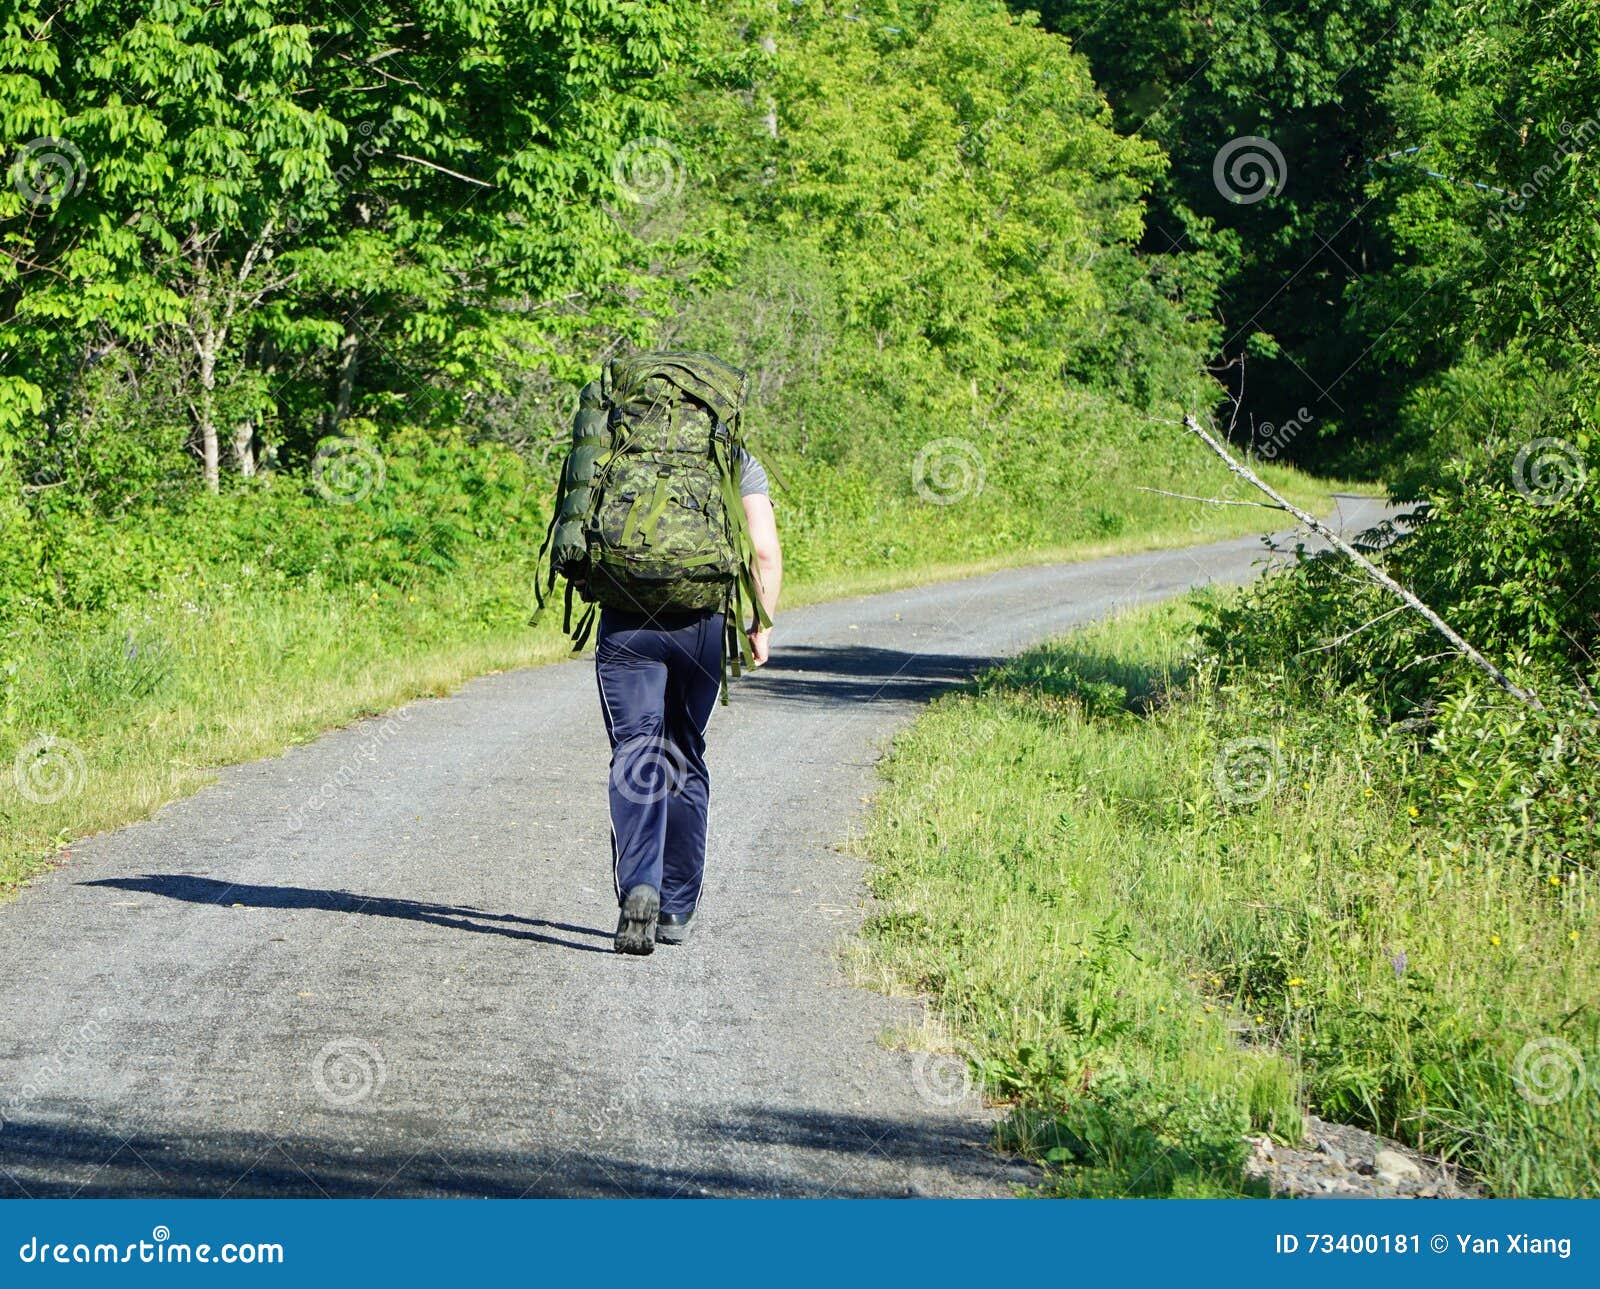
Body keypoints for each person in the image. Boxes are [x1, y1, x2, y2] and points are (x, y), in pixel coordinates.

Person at [597, 449, 782, 954]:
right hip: (702, 625)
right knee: (681, 749)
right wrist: (761, 622)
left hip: (626, 621)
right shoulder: (732, 455)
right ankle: (676, 906)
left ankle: (640, 882)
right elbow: (763, 551)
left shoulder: (621, 443)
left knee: (637, 749)